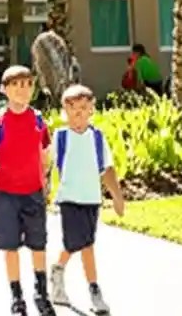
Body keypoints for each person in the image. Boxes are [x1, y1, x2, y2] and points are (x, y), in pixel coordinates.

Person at [0, 65, 54, 316]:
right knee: (10, 245)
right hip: (6, 193)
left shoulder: (37, 119)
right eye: (16, 85)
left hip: (33, 192)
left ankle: (41, 292)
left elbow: (45, 153)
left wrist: (46, 181)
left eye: (27, 85)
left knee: (38, 244)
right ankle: (16, 295)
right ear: (5, 90)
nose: (23, 90)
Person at [48, 84, 126, 314]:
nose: (80, 114)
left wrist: (117, 197)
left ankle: (62, 270)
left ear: (92, 110)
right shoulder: (61, 137)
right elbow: (44, 165)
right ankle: (92, 289)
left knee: (83, 244)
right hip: (69, 200)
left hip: (91, 200)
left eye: (85, 108)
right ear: (65, 111)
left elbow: (107, 169)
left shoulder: (97, 138)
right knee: (81, 244)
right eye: (74, 110)